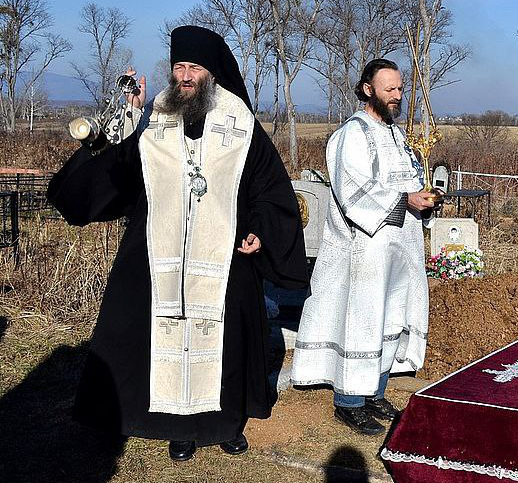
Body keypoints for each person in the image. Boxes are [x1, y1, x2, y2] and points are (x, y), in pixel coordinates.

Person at [48, 25, 308, 461]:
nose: (185, 76)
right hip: (159, 253)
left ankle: (226, 424)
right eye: (179, 67)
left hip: (223, 257)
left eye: (195, 68)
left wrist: (260, 228)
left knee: (225, 343)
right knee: (156, 333)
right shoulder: (156, 118)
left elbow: (270, 188)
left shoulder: (240, 123)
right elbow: (124, 172)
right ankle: (179, 428)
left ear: (213, 73)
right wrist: (111, 134)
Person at [291, 58, 436, 435]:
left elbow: (409, 179)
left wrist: (426, 196)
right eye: (388, 88)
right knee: (364, 319)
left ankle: (375, 391)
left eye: (400, 89)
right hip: (365, 248)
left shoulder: (397, 135)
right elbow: (353, 191)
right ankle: (350, 400)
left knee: (391, 316)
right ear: (367, 89)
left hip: (401, 245)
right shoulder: (350, 134)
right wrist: (407, 199)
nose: (396, 95)